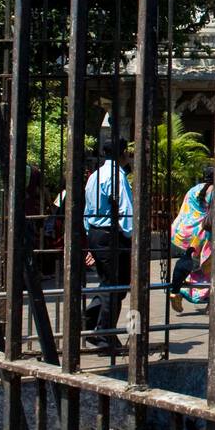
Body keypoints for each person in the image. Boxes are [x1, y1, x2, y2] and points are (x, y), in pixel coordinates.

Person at [83, 138, 133, 349]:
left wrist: (90, 237)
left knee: (108, 282)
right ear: (123, 153)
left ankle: (89, 322)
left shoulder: (95, 176)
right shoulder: (117, 177)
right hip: (112, 234)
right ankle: (105, 336)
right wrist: (132, 236)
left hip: (95, 231)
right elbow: (126, 209)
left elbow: (87, 209)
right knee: (115, 285)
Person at [169, 166, 214, 312]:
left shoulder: (194, 189)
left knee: (193, 268)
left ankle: (180, 290)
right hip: (197, 237)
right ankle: (187, 293)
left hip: (180, 233)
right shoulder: (214, 191)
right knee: (209, 269)